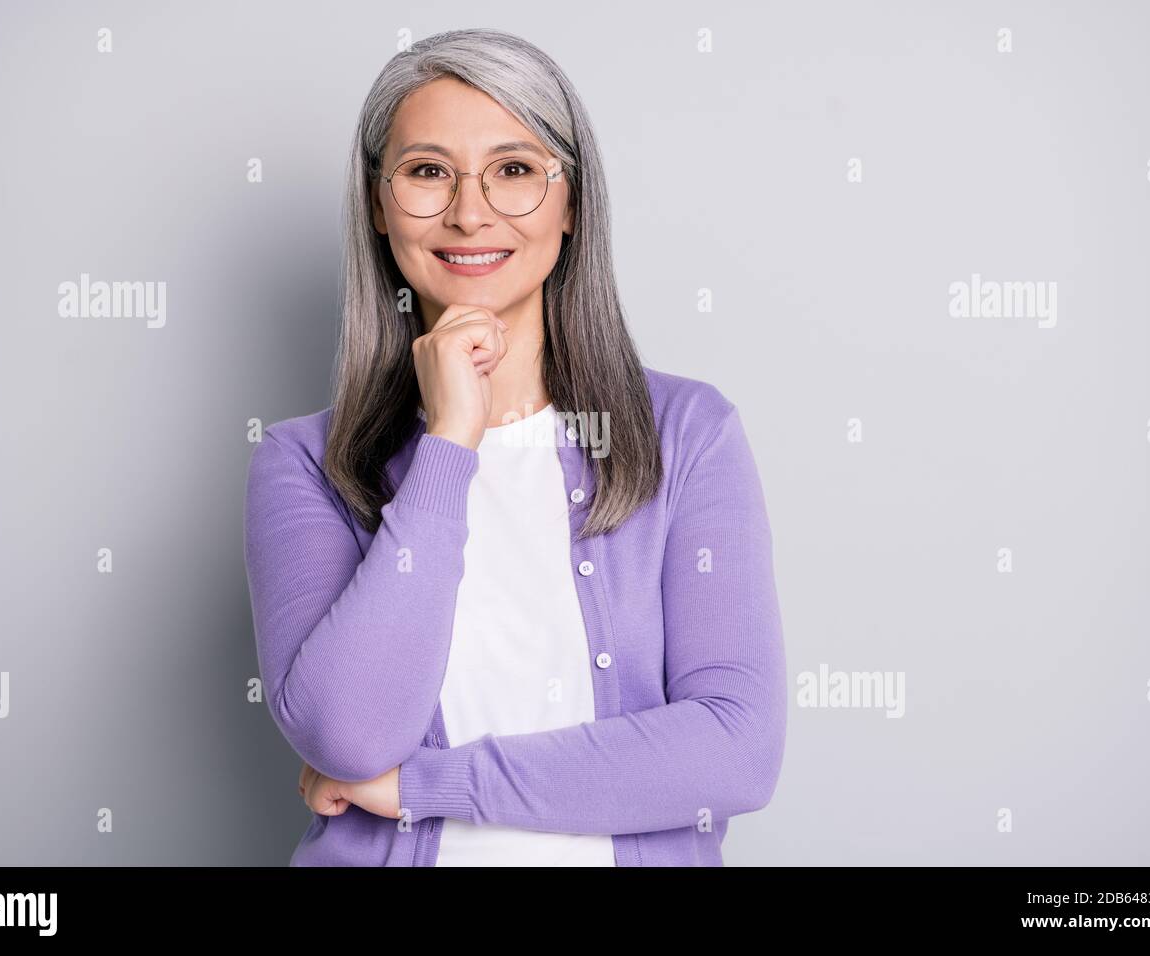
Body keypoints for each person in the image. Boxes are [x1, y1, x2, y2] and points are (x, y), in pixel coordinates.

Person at [243, 27, 786, 866]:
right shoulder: (303, 463)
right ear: (379, 205)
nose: (470, 212)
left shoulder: (687, 433)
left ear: (571, 205)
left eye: (515, 170)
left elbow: (735, 751)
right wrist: (450, 442)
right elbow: (348, 735)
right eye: (428, 172)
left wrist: (424, 785)